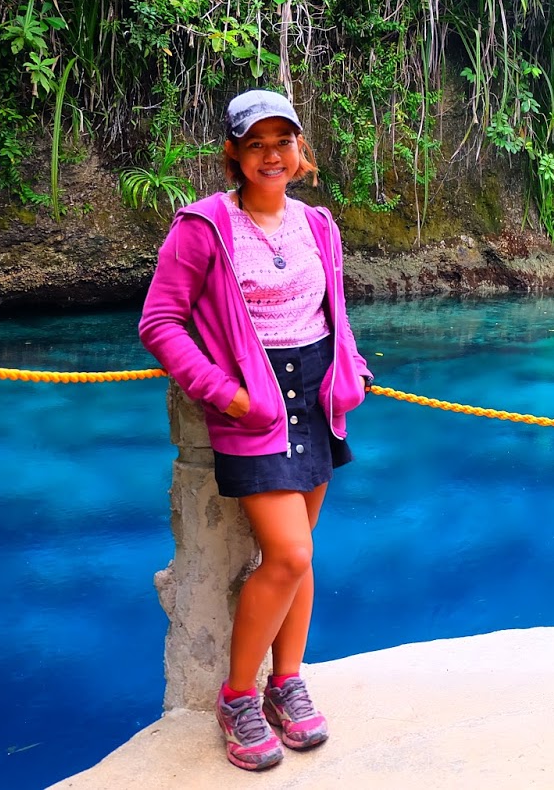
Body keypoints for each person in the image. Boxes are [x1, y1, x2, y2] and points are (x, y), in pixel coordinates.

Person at [139, 89, 372, 772]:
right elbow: (159, 322)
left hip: (319, 400)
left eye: (284, 141)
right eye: (256, 143)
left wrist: (351, 370)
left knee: (301, 556)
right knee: (290, 555)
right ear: (234, 154)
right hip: (255, 406)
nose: (272, 154)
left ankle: (287, 681)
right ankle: (238, 696)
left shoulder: (318, 225)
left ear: (301, 152)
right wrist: (225, 395)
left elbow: (333, 308)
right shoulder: (203, 226)